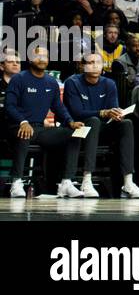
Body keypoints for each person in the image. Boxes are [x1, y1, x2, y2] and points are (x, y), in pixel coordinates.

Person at [5, 46, 87, 199]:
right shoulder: (19, 79)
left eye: (45, 56)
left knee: (74, 134)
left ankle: (66, 182)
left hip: (40, 129)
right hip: (16, 126)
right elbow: (10, 106)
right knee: (25, 133)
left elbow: (58, 107)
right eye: (38, 56)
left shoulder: (51, 82)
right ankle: (16, 182)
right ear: (30, 59)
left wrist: (70, 122)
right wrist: (23, 121)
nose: (42, 59)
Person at [62, 52, 139, 198]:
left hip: (104, 129)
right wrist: (102, 113)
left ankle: (128, 182)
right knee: (93, 121)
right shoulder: (72, 82)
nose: (94, 66)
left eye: (98, 63)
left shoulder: (109, 83)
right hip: (80, 128)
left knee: (127, 123)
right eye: (90, 62)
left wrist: (117, 113)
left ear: (102, 67)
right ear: (83, 66)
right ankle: (86, 180)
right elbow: (76, 112)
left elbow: (112, 109)